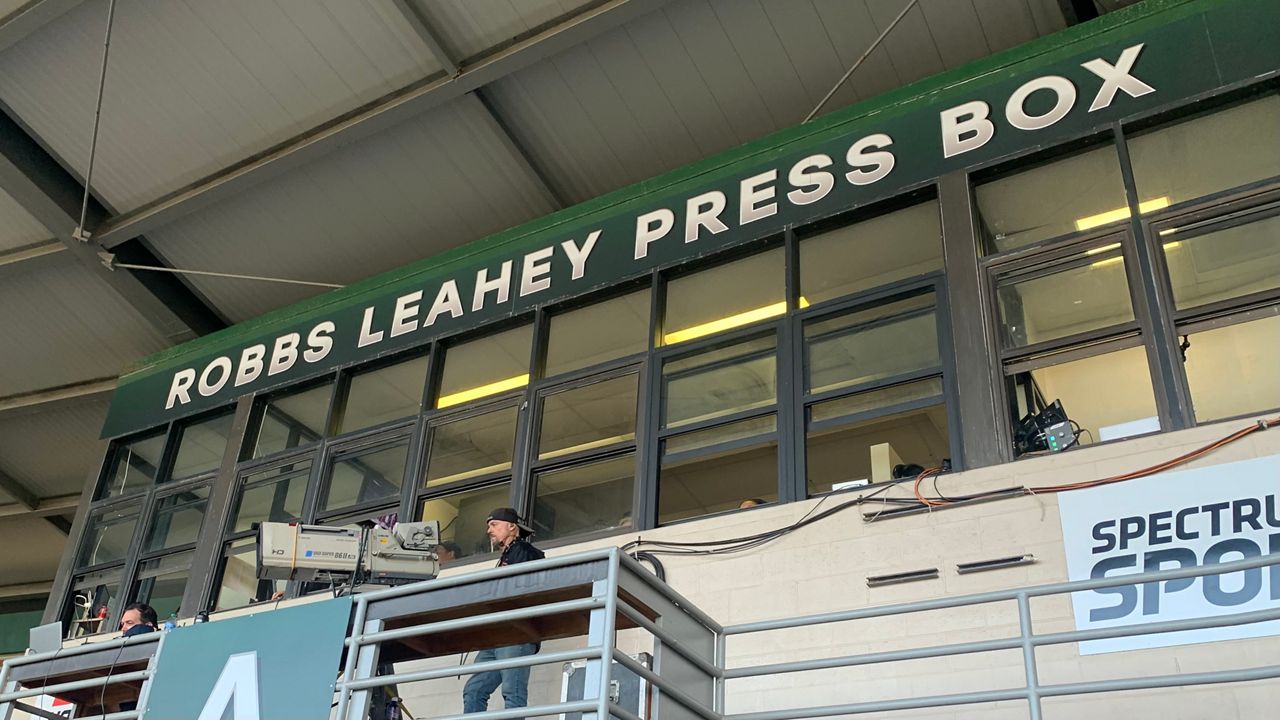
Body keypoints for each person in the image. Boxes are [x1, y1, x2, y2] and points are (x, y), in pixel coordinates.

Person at [462, 508, 545, 714]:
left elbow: (527, 589)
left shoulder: (525, 551)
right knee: (473, 690)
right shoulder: (509, 554)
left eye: (494, 524)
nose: (489, 530)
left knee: (512, 692)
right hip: (498, 634)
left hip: (517, 632)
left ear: (511, 527)